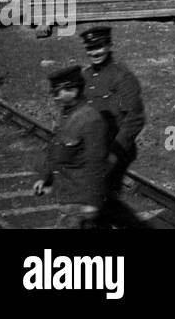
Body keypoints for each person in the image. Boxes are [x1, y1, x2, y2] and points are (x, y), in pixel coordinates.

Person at [80, 25, 146, 228]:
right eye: (91, 48)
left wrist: (114, 153)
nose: (95, 52)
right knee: (99, 205)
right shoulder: (86, 77)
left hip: (114, 151)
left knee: (99, 203)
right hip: (91, 151)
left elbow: (134, 118)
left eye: (99, 46)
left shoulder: (122, 77)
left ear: (109, 46)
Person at [33, 65, 109, 229]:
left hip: (80, 202)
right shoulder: (67, 115)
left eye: (57, 92)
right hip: (67, 196)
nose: (55, 97)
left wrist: (93, 202)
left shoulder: (90, 119)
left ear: (73, 90)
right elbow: (55, 150)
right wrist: (45, 177)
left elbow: (96, 164)